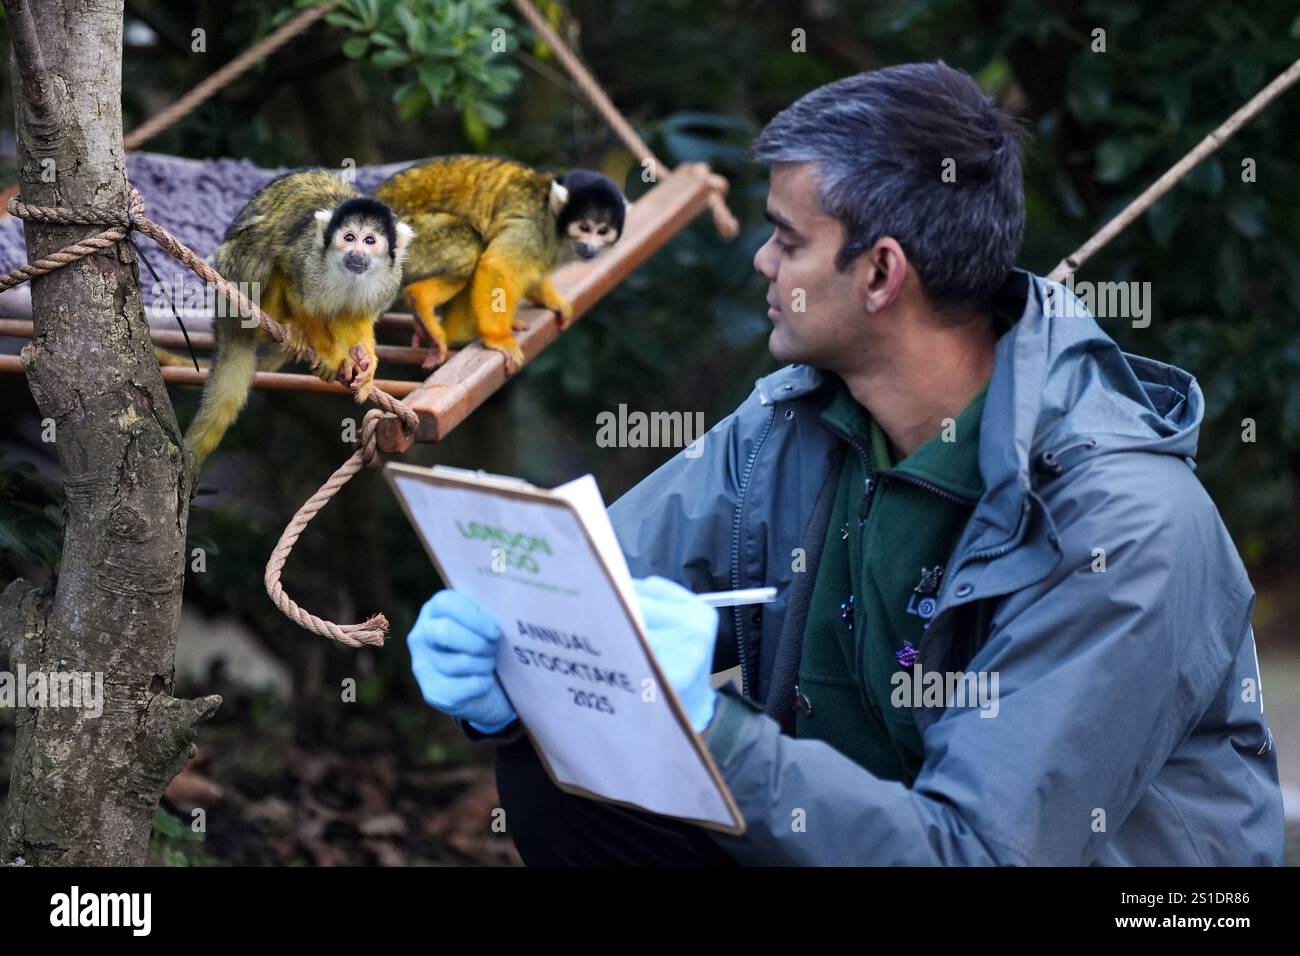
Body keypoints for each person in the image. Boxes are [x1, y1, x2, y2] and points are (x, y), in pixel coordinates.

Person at [406, 61, 1285, 865]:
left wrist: (718, 728)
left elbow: (976, 854)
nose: (761, 258)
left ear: (879, 275)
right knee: (558, 775)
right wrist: (512, 669)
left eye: (786, 240)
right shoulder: (795, 423)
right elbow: (587, 592)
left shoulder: (1126, 525)